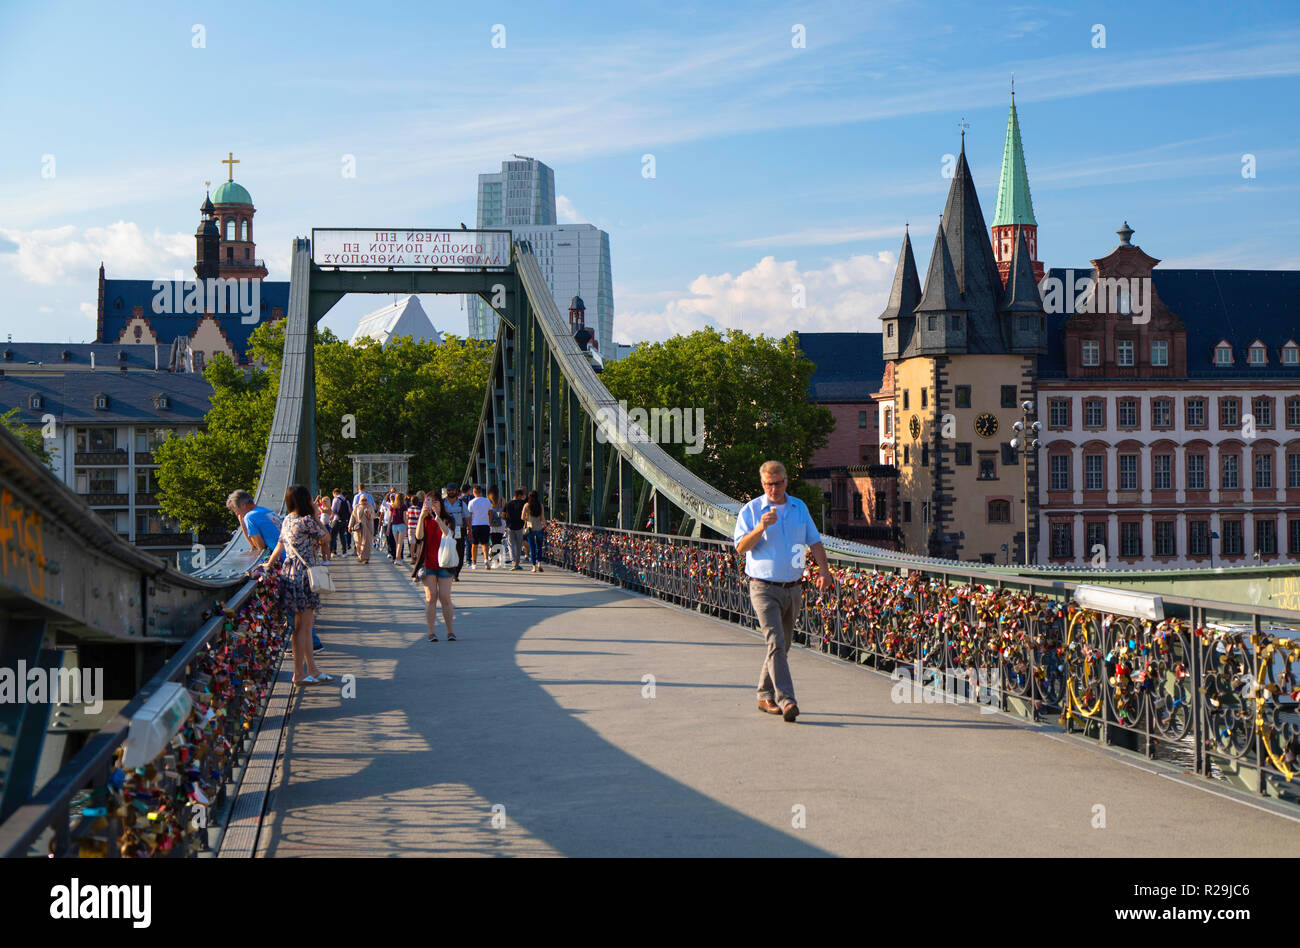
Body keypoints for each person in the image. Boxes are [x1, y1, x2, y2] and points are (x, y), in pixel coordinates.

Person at [733, 460, 834, 723]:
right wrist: (760, 528)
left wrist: (824, 572)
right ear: (762, 484)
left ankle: (763, 694)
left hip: (793, 587)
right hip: (763, 587)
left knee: (782, 645)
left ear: (786, 481)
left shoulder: (799, 507)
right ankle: (787, 701)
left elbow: (815, 541)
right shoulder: (752, 509)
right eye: (768, 484)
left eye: (778, 483)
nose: (774, 489)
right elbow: (741, 547)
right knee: (776, 642)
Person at [228, 488, 323, 653]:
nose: (237, 514)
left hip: (287, 564)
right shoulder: (266, 511)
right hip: (299, 560)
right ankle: (310, 641)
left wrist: (242, 524)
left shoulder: (249, 517)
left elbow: (258, 546)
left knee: (293, 607)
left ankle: (313, 643)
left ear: (243, 505)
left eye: (236, 511)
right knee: (301, 606)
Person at [265, 485, 334, 687]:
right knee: (304, 627)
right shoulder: (306, 522)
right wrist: (316, 514)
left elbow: (280, 545)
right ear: (305, 501)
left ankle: (310, 670)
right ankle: (300, 673)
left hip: (289, 574)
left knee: (300, 627)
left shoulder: (287, 520)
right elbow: (326, 538)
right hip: (305, 577)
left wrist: (269, 564)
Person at [411, 495, 456, 641]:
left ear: (441, 504)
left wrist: (437, 518)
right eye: (429, 502)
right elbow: (418, 537)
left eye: (435, 502)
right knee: (431, 597)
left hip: (444, 563)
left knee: (445, 597)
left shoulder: (448, 519)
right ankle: (431, 632)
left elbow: (449, 534)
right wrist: (421, 517)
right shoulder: (424, 519)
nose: (432, 505)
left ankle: (450, 631)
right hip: (427, 563)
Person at [442, 485, 467, 581]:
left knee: (459, 552)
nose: (451, 492)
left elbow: (467, 516)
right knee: (447, 551)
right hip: (446, 530)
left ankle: (456, 573)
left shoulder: (461, 503)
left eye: (453, 490)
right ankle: (448, 572)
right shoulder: (443, 502)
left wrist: (469, 529)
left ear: (456, 491)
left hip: (458, 530)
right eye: (449, 490)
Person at [466, 485, 493, 570]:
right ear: (481, 492)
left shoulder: (471, 502)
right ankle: (486, 559)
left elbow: (469, 516)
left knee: (474, 545)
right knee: (485, 544)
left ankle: (474, 563)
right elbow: (490, 512)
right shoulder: (487, 501)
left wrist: (468, 527)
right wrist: (490, 522)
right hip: (485, 524)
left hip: (475, 525)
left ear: (474, 492)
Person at [502, 487, 528, 571]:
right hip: (520, 526)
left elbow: (503, 515)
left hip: (510, 526)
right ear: (520, 495)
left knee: (511, 545)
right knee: (519, 545)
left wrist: (506, 521)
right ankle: (517, 563)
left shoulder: (508, 503)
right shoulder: (523, 503)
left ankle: (513, 562)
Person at [524, 489, 547, 573]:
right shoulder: (540, 505)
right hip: (539, 528)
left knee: (532, 547)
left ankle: (534, 567)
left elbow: (522, 517)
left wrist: (527, 519)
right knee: (539, 547)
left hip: (530, 529)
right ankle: (539, 564)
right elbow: (542, 518)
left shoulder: (526, 505)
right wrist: (545, 525)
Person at [350, 494, 375, 563]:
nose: (364, 501)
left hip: (367, 527)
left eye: (365, 500)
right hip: (358, 528)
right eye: (363, 500)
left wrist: (368, 513)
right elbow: (353, 517)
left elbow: (373, 516)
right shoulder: (357, 507)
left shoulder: (369, 506)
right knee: (358, 543)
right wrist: (350, 526)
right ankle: (360, 556)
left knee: (366, 543)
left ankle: (365, 558)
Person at [486, 486, 505, 567]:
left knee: (493, 542)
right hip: (500, 522)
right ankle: (499, 559)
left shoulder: (488, 500)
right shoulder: (501, 500)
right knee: (498, 541)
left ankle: (495, 560)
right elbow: (504, 510)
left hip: (491, 523)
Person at [330, 488, 352, 556]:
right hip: (344, 521)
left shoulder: (336, 499)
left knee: (333, 536)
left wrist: (331, 518)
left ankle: (333, 551)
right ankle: (344, 551)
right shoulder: (346, 501)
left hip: (337, 519)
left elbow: (333, 510)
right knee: (342, 536)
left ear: (335, 493)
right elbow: (349, 511)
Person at [390, 492, 409, 562]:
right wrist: (407, 526)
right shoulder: (404, 506)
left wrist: (388, 527)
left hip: (394, 525)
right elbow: (404, 518)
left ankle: (397, 558)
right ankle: (398, 559)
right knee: (400, 543)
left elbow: (390, 518)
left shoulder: (392, 506)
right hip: (401, 525)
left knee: (397, 543)